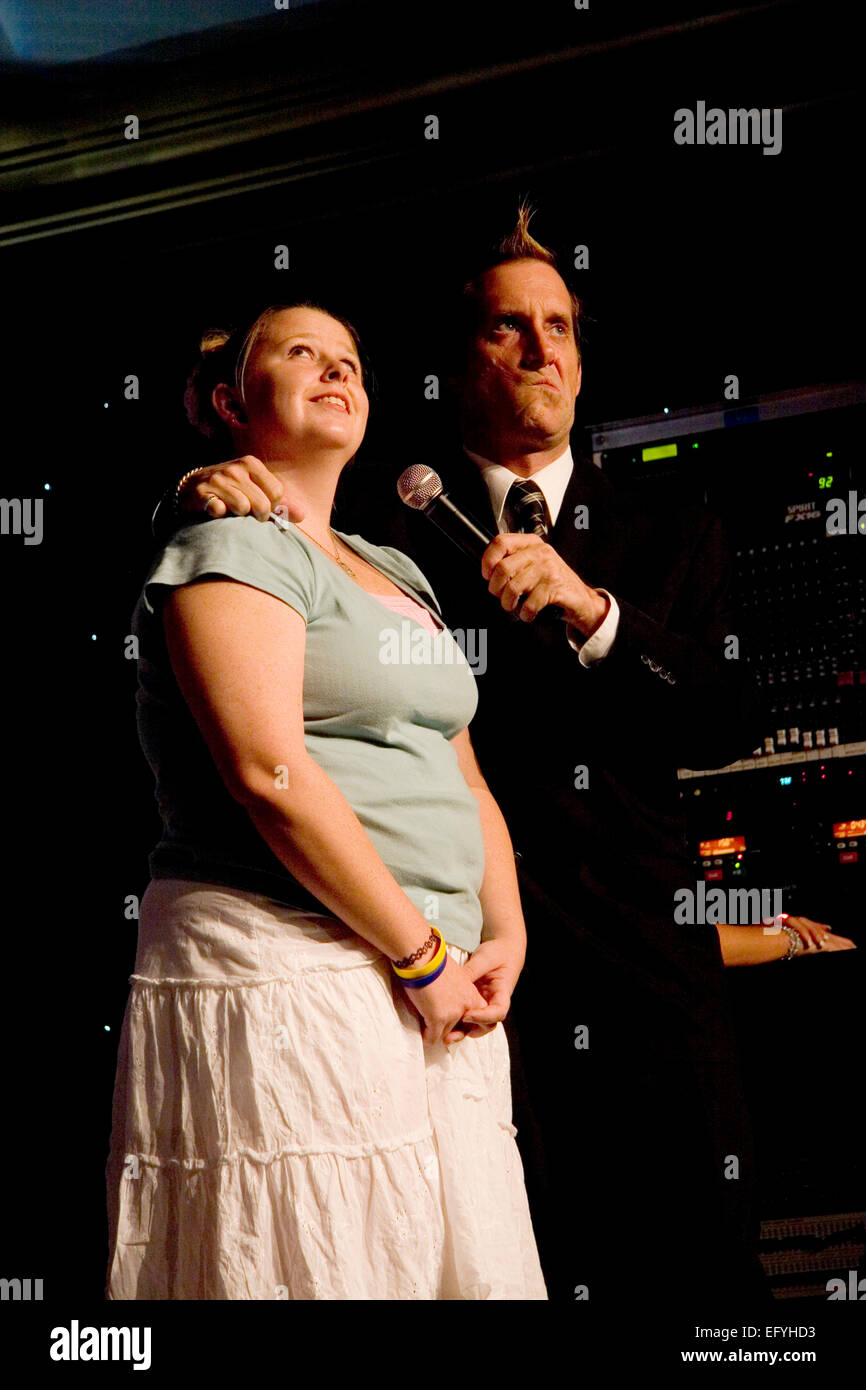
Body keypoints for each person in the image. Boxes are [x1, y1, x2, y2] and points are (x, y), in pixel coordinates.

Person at [148, 212, 818, 1307]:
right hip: (435, 975)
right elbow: (251, 567)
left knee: (707, 1278)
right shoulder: (371, 527)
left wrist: (596, 613)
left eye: (559, 327)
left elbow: (723, 715)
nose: (543, 350)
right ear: (460, 359)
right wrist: (196, 486)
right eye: (509, 328)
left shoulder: (670, 525)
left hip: (647, 972)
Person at [106, 301, 548, 1300]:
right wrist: (420, 951)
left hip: (438, 985)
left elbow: (457, 766)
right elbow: (267, 771)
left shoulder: (393, 566)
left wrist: (501, 935)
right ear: (228, 402)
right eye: (299, 352)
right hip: (295, 956)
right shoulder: (230, 540)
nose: (334, 369)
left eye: (348, 357)